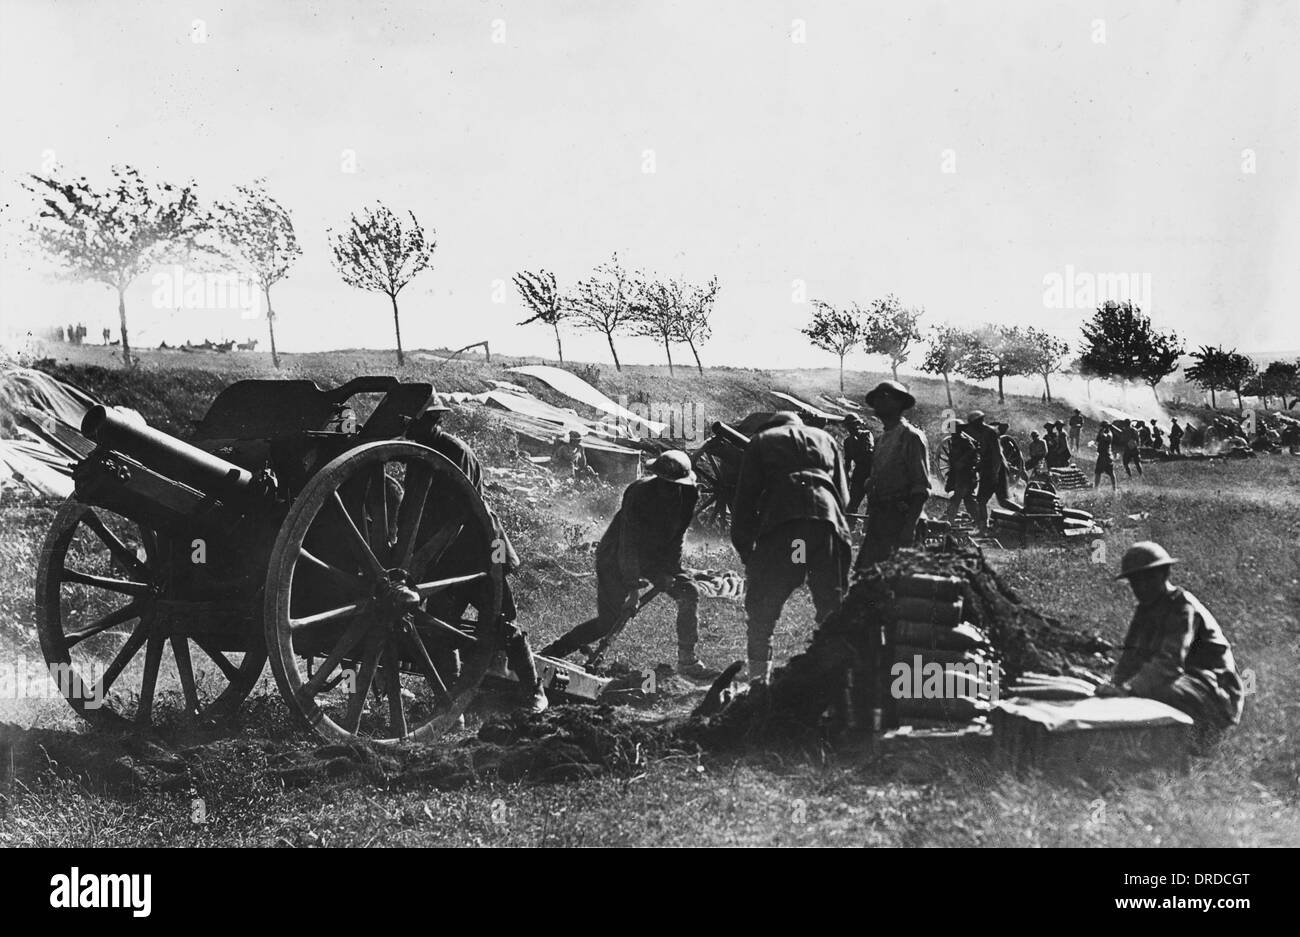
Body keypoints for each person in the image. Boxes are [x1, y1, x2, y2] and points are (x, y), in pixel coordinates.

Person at [407, 403, 550, 714]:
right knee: (441, 626)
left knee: (502, 622)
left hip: (480, 549)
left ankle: (533, 691)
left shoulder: (454, 451)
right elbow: (412, 506)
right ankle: (453, 698)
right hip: (443, 556)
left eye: (416, 422)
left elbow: (462, 511)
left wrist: (425, 555)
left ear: (434, 421)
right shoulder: (416, 453)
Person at [541, 451, 718, 679]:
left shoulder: (689, 494)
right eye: (664, 483)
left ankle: (688, 661)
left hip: (655, 558)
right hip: (616, 555)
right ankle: (552, 653)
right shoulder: (639, 493)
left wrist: (672, 570)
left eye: (674, 484)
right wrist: (633, 589)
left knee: (689, 592)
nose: (669, 489)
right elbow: (629, 542)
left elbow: (678, 535)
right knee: (608, 622)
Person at [731, 411, 850, 685]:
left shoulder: (761, 440)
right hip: (827, 524)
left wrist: (747, 549)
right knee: (832, 608)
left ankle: (759, 681)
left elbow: (745, 498)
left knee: (763, 609)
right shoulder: (826, 438)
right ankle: (832, 682)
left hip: (785, 527)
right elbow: (844, 496)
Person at [1097, 542, 1243, 741]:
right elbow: (1131, 656)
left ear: (1164, 574)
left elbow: (1170, 661)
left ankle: (1196, 740)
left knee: (1155, 690)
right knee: (1131, 689)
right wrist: (1115, 685)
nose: (1141, 587)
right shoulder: (1146, 609)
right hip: (1185, 679)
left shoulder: (1182, 607)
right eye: (1135, 581)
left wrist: (1130, 688)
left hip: (1214, 690)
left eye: (1147, 579)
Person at [856, 381, 930, 570]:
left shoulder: (911, 437)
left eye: (885, 397)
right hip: (880, 520)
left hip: (902, 520)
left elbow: (921, 488)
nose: (878, 402)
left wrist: (909, 528)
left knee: (900, 586)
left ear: (899, 403)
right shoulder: (881, 439)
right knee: (868, 579)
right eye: (876, 398)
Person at [943, 421, 981, 525]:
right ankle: (980, 522)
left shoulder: (964, 441)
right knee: (968, 501)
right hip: (959, 476)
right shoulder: (955, 441)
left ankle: (948, 522)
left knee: (958, 499)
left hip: (966, 477)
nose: (951, 432)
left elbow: (974, 456)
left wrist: (962, 462)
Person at [841, 413, 875, 521]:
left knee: (872, 504)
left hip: (870, 472)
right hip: (858, 474)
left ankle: (867, 528)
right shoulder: (847, 442)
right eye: (849, 426)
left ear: (858, 425)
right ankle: (851, 528)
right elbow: (847, 462)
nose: (851, 428)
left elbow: (869, 453)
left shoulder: (866, 434)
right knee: (852, 504)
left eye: (854, 425)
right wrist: (846, 479)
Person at [1093, 421, 1117, 490]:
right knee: (1098, 472)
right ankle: (1096, 488)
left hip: (1107, 456)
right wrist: (1100, 432)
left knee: (1111, 472)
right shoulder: (1102, 433)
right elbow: (1097, 439)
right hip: (1101, 455)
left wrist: (1102, 432)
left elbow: (1105, 437)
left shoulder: (1109, 434)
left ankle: (1114, 488)